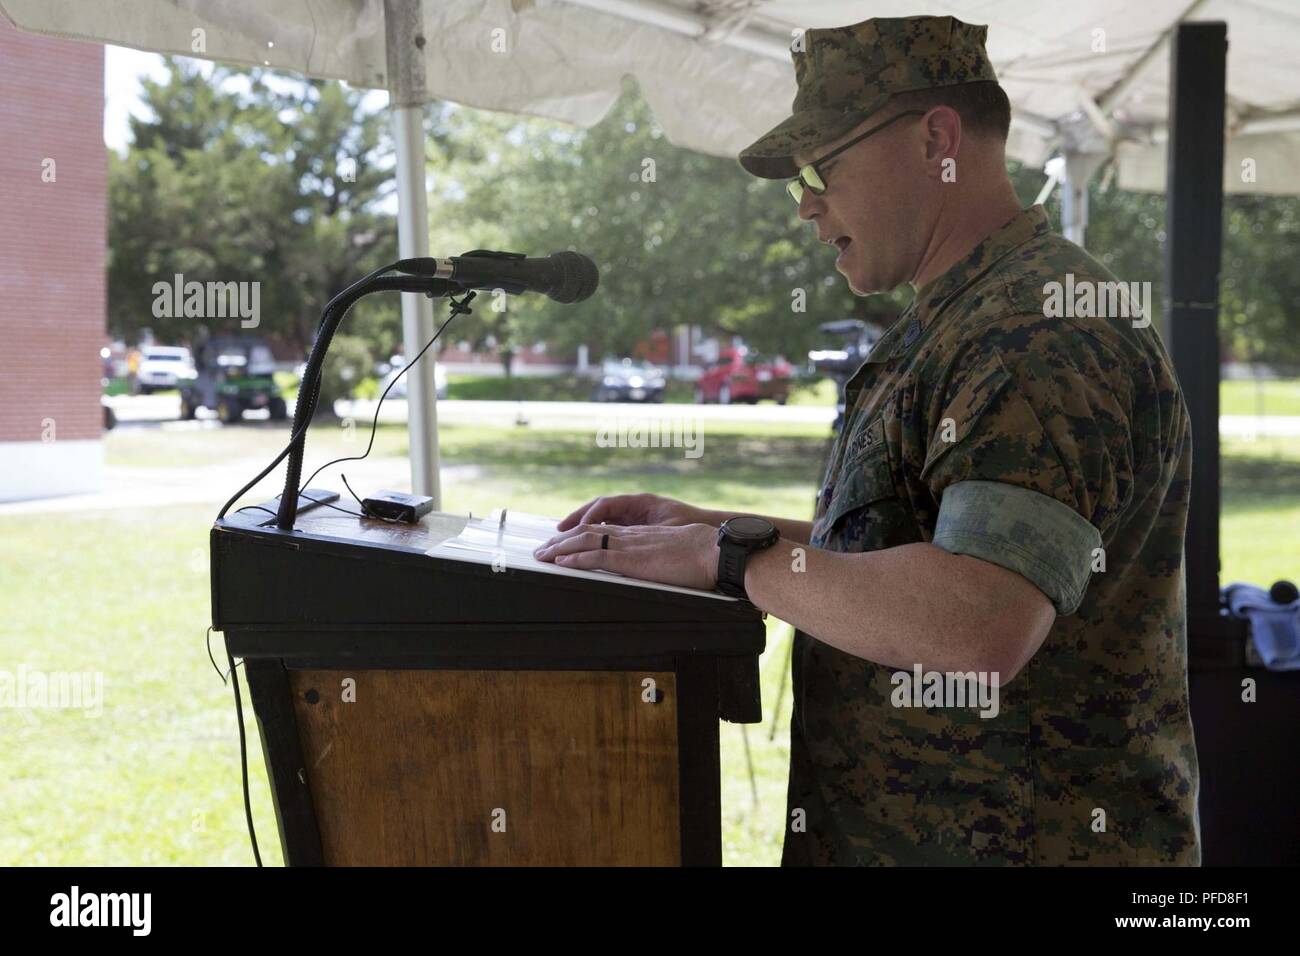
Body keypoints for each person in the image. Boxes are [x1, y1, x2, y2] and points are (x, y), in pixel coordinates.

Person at [534, 14, 1198, 866]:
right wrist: (708, 526)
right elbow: (906, 551)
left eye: (822, 167)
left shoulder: (1038, 327)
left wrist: (731, 559)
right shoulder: (967, 316)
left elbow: (976, 621)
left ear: (936, 140)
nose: (807, 204)